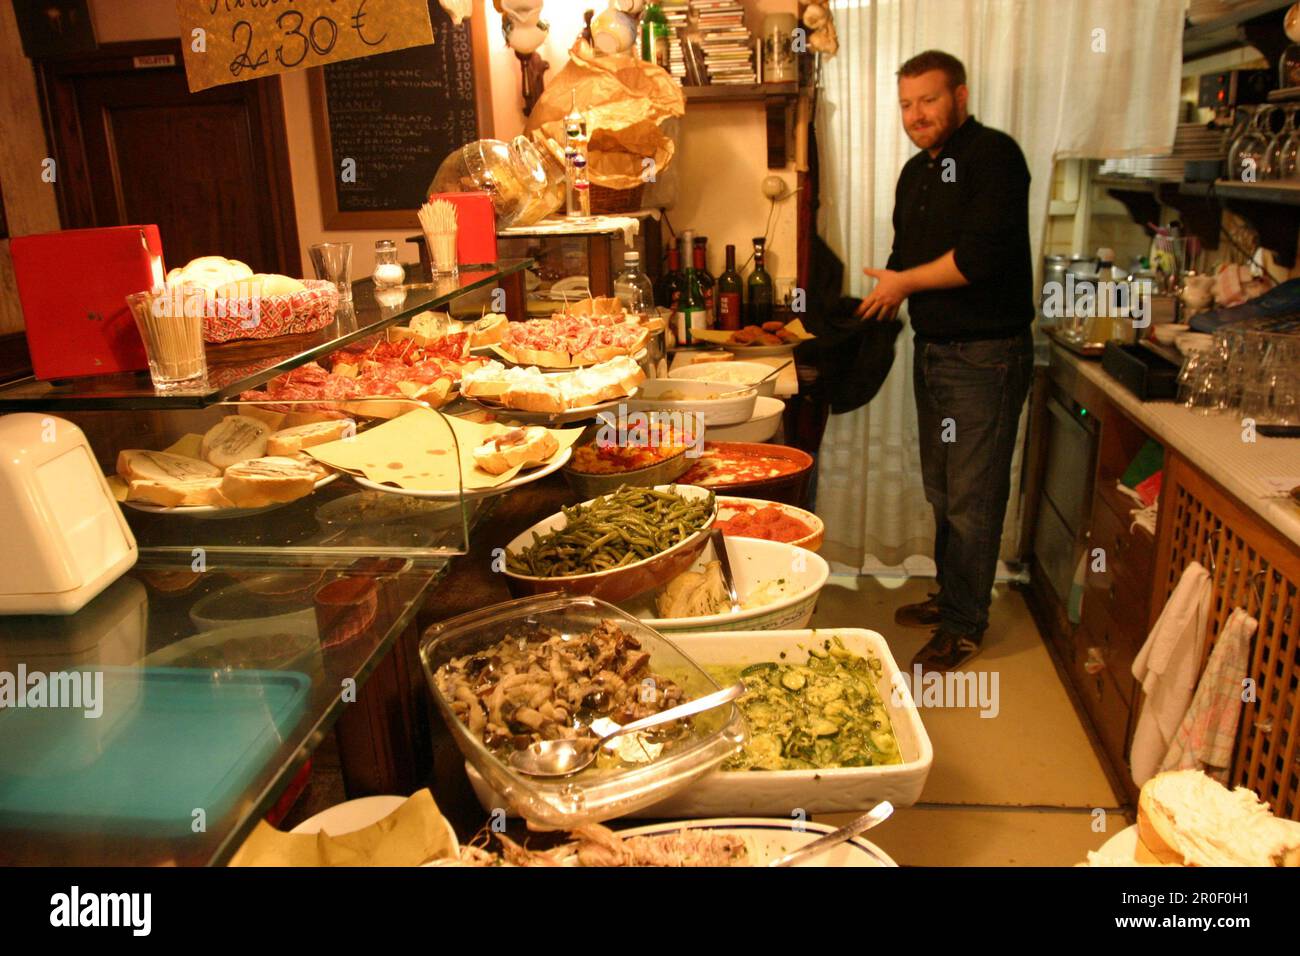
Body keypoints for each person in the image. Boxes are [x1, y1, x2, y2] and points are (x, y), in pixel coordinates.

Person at [856, 50, 1034, 672]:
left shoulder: (995, 157)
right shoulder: (916, 173)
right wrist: (882, 296)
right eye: (906, 104)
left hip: (986, 357)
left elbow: (977, 259)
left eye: (928, 101)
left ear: (959, 95)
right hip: (934, 353)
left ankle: (964, 623)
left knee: (973, 497)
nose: (916, 115)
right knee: (942, 489)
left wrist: (902, 284)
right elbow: (908, 259)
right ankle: (952, 596)